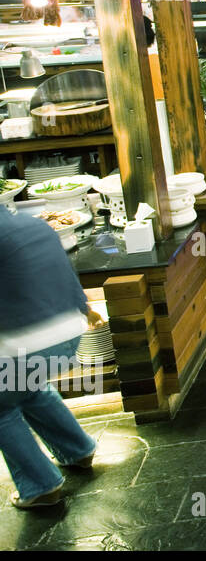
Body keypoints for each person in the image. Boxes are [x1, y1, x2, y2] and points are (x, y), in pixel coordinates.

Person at [0, 208, 101, 509]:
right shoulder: (33, 225)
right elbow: (67, 277)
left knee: (1, 408)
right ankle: (78, 450)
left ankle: (41, 486)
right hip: (68, 334)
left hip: (28, 343)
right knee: (24, 388)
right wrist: (86, 308)